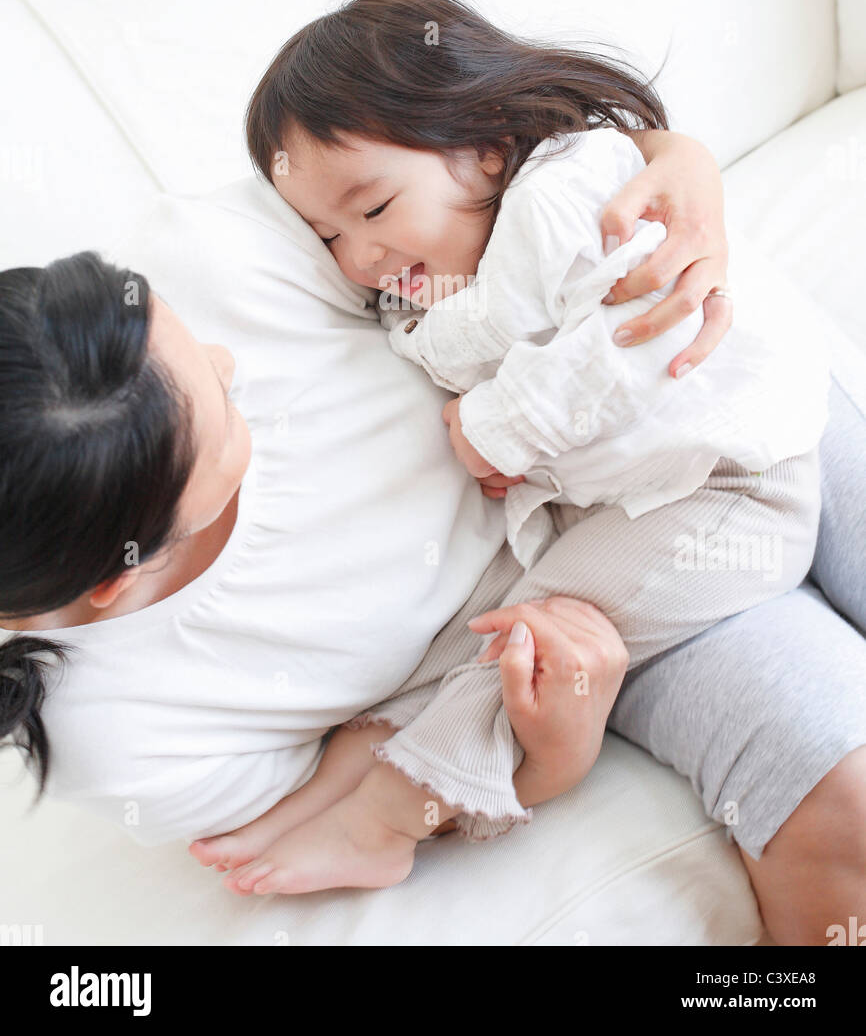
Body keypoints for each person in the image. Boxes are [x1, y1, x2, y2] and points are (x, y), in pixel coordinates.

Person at [0, 101, 862, 944]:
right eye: (221, 408)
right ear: (117, 575)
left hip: (680, 395)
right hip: (598, 609)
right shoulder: (131, 736)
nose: (228, 362)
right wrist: (559, 744)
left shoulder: (205, 258)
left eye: (184, 335)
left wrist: (678, 163)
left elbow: (469, 148)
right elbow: (401, 785)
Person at [216, 0, 826, 893]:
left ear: (489, 146)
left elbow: (637, 336)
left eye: (375, 211)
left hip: (735, 490)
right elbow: (466, 348)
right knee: (470, 622)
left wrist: (497, 428)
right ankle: (352, 766)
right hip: (637, 496)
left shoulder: (565, 197)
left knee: (532, 629)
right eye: (327, 235)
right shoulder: (437, 285)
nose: (360, 257)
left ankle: (396, 812)